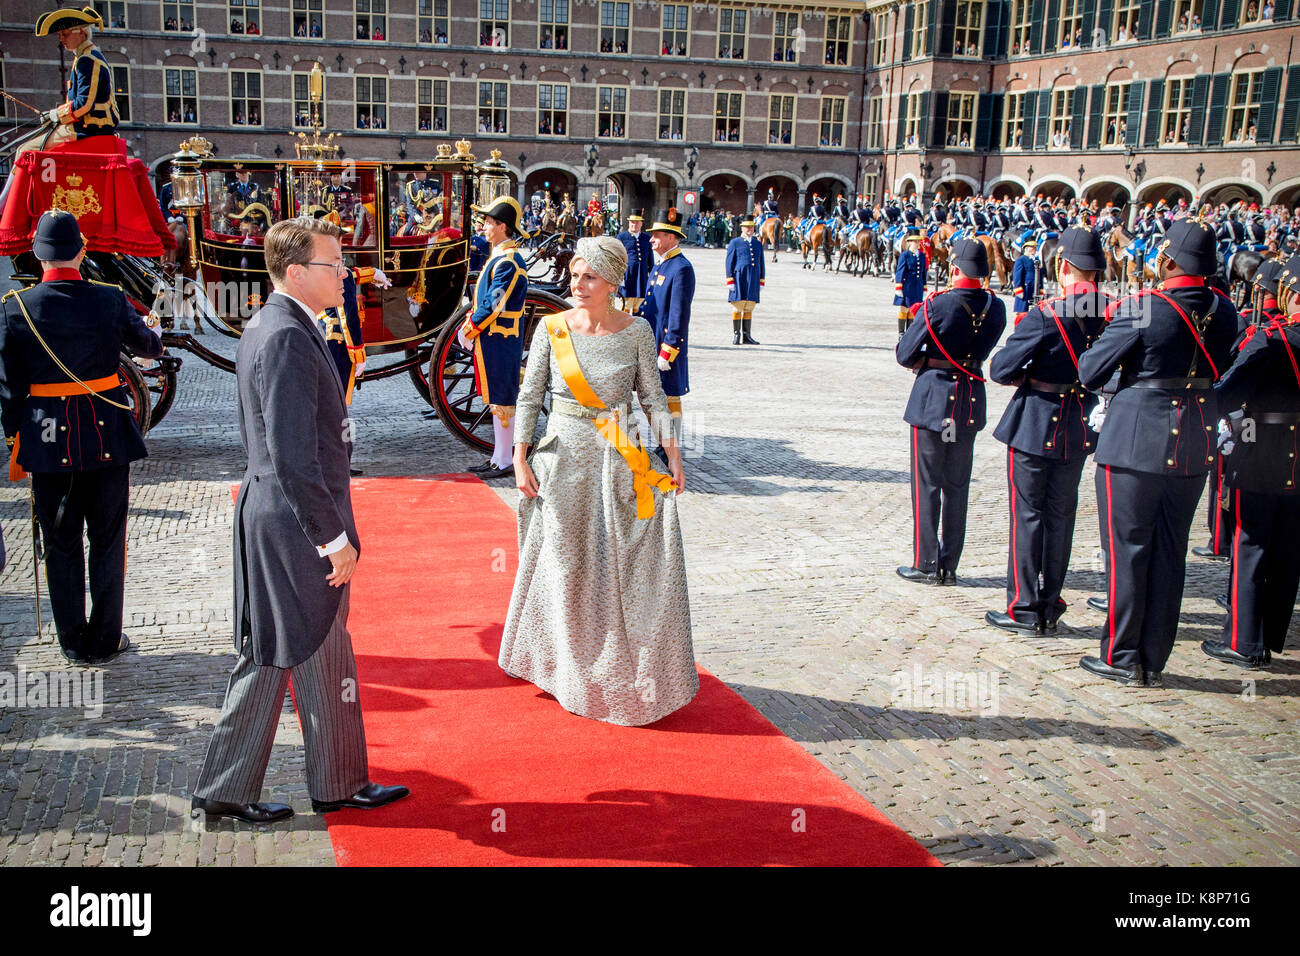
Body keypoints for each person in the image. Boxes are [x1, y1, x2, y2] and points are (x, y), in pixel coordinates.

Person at [191, 217, 409, 826]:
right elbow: (292, 453)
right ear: (296, 272)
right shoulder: (287, 334)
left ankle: (319, 780)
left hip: (276, 515)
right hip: (294, 524)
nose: (344, 272)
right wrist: (332, 538)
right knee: (292, 646)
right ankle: (277, 786)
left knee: (302, 648)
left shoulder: (273, 322)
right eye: (333, 263)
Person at [503, 236, 695, 725]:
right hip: (563, 460)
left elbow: (653, 399)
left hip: (619, 459)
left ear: (611, 281)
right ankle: (564, 667)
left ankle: (620, 664)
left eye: (588, 276)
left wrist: (673, 456)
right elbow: (529, 398)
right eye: (574, 275)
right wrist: (520, 458)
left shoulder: (638, 332)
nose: (577, 284)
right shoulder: (551, 329)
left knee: (619, 565)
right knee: (565, 565)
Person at [1075, 218, 1238, 687]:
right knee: (1171, 551)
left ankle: (1121, 654)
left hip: (1135, 439)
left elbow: (1090, 369)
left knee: (1128, 550)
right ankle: (1153, 657)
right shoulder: (1227, 312)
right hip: (1195, 438)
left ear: (1167, 260)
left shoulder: (1145, 306)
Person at [0, 211, 162, 664]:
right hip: (105, 431)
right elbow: (149, 347)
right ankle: (107, 637)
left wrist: (18, 436)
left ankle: (72, 640)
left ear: (36, 253)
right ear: (82, 251)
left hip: (48, 442)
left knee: (60, 541)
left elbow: (9, 389)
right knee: (108, 539)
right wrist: (156, 334)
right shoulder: (110, 299)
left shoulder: (15, 306)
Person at [986, 228, 1112, 634]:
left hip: (1036, 422)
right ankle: (1050, 603)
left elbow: (1001, 369)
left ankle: (1023, 606)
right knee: (1061, 517)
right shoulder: (1114, 312)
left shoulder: (1046, 313)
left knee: (1028, 516)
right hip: (1079, 424)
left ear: (1062, 266)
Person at [1203, 254, 1300, 668]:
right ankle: (1272, 632)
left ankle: (1245, 640)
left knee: (1251, 541)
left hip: (1260, 443)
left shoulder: (1270, 338)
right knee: (1289, 545)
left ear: (1289, 293)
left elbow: (1226, 393)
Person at [895, 239, 1007, 584]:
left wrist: (925, 360)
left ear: (954, 268)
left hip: (934, 400)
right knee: (957, 485)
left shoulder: (938, 305)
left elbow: (904, 354)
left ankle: (926, 561)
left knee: (928, 482)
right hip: (968, 400)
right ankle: (949, 563)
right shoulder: (997, 307)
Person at [458, 197, 530, 478]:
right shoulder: (501, 256)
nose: (484, 226)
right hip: (493, 335)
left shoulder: (509, 261)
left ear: (502, 226)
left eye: (488, 222)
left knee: (502, 399)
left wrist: (469, 327)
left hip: (500, 336)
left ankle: (505, 459)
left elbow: (494, 302)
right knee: (496, 399)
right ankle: (499, 456)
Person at [635, 209, 695, 453]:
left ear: (672, 238)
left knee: (670, 396)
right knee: (654, 395)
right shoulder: (661, 265)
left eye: (657, 235)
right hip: (653, 342)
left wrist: (668, 349)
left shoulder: (681, 268)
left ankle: (671, 445)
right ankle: (662, 441)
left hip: (667, 346)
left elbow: (679, 314)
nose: (651, 240)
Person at [725, 218, 764, 345]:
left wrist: (761, 280)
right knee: (738, 306)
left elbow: (761, 263)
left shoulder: (757, 243)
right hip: (739, 277)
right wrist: (730, 279)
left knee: (749, 306)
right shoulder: (735, 242)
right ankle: (737, 334)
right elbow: (729, 262)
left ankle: (747, 336)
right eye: (747, 227)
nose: (749, 230)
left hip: (753, 278)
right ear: (742, 228)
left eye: (751, 227)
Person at [617, 209, 652, 315]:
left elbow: (650, 258)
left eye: (637, 222)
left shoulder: (647, 238)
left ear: (641, 223)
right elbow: (617, 257)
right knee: (626, 307)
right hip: (628, 275)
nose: (634, 224)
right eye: (632, 222)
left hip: (641, 276)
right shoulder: (622, 237)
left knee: (640, 305)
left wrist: (651, 274)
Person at [893, 229, 927, 338]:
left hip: (917, 286)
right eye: (915, 241)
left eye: (918, 241)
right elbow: (900, 271)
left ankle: (910, 331)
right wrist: (898, 286)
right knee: (904, 308)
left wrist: (924, 286)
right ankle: (901, 332)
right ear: (909, 242)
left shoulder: (922, 256)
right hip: (907, 286)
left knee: (914, 309)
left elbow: (923, 272)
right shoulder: (905, 255)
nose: (918, 243)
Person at [1011, 237, 1038, 322]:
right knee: (1022, 313)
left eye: (1035, 247)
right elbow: (1017, 276)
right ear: (1026, 248)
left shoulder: (1036, 260)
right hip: (1025, 290)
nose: (1034, 249)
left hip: (1034, 290)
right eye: (1032, 247)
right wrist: (1018, 289)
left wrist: (1041, 289)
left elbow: (1039, 276)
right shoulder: (1021, 260)